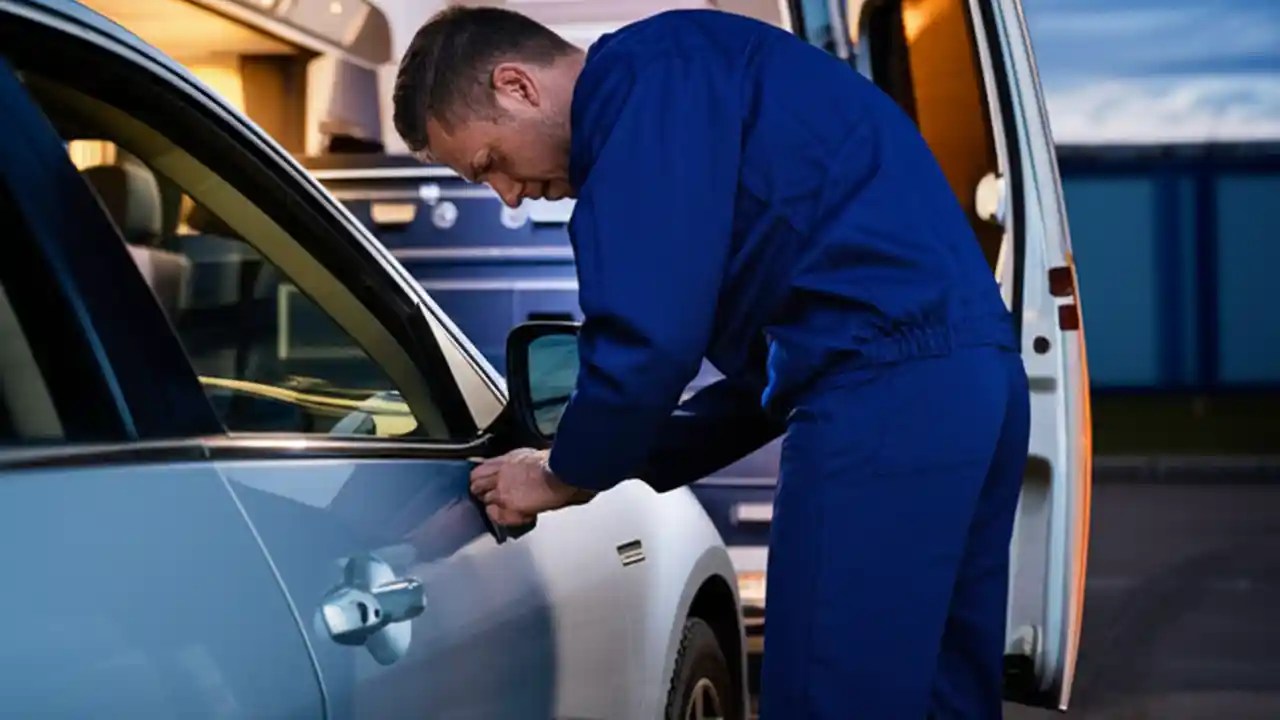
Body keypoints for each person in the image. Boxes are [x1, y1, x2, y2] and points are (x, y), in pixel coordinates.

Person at [392, 7, 1030, 718]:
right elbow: (770, 376)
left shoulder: (638, 96)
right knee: (945, 694)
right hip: (974, 385)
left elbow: (647, 340)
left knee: (833, 698)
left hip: (886, 403)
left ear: (516, 86)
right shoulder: (701, 70)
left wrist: (563, 474)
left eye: (490, 164)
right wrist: (626, 458)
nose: (508, 196)